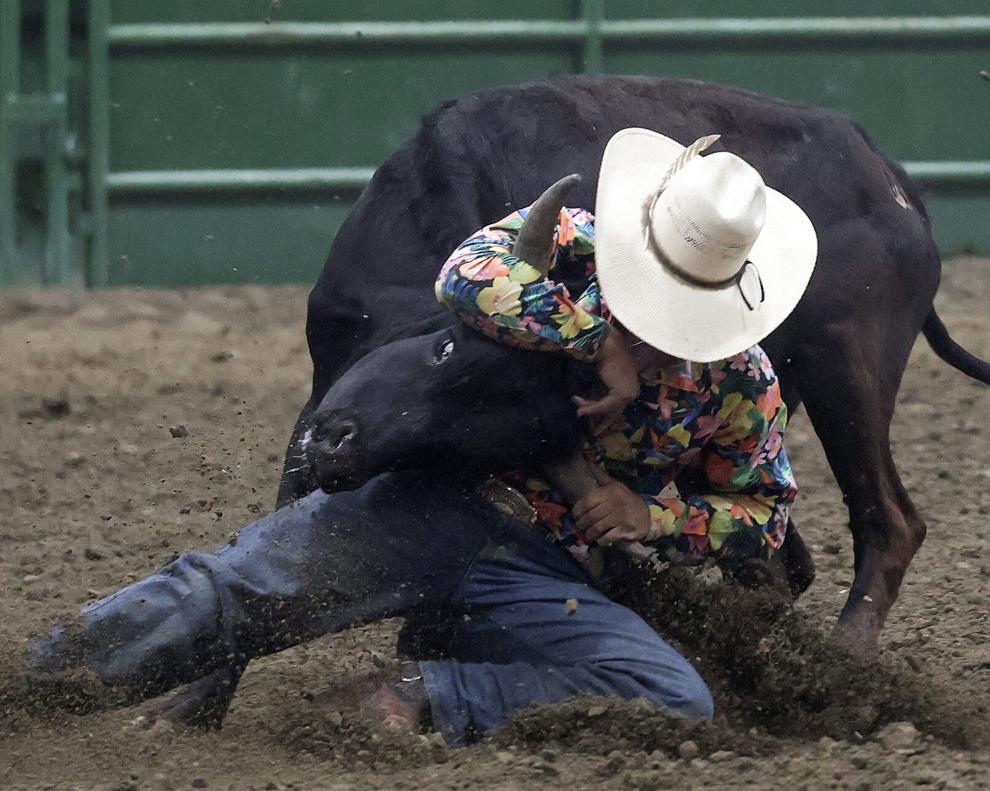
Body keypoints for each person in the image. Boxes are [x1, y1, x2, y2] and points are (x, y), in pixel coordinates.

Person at [26, 129, 816, 744]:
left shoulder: (740, 382)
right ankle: (31, 683)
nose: (657, 334)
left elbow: (764, 513)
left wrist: (656, 518)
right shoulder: (577, 243)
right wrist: (594, 336)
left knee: (676, 694)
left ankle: (421, 693)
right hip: (422, 506)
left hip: (543, 572)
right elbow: (468, 273)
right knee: (230, 590)